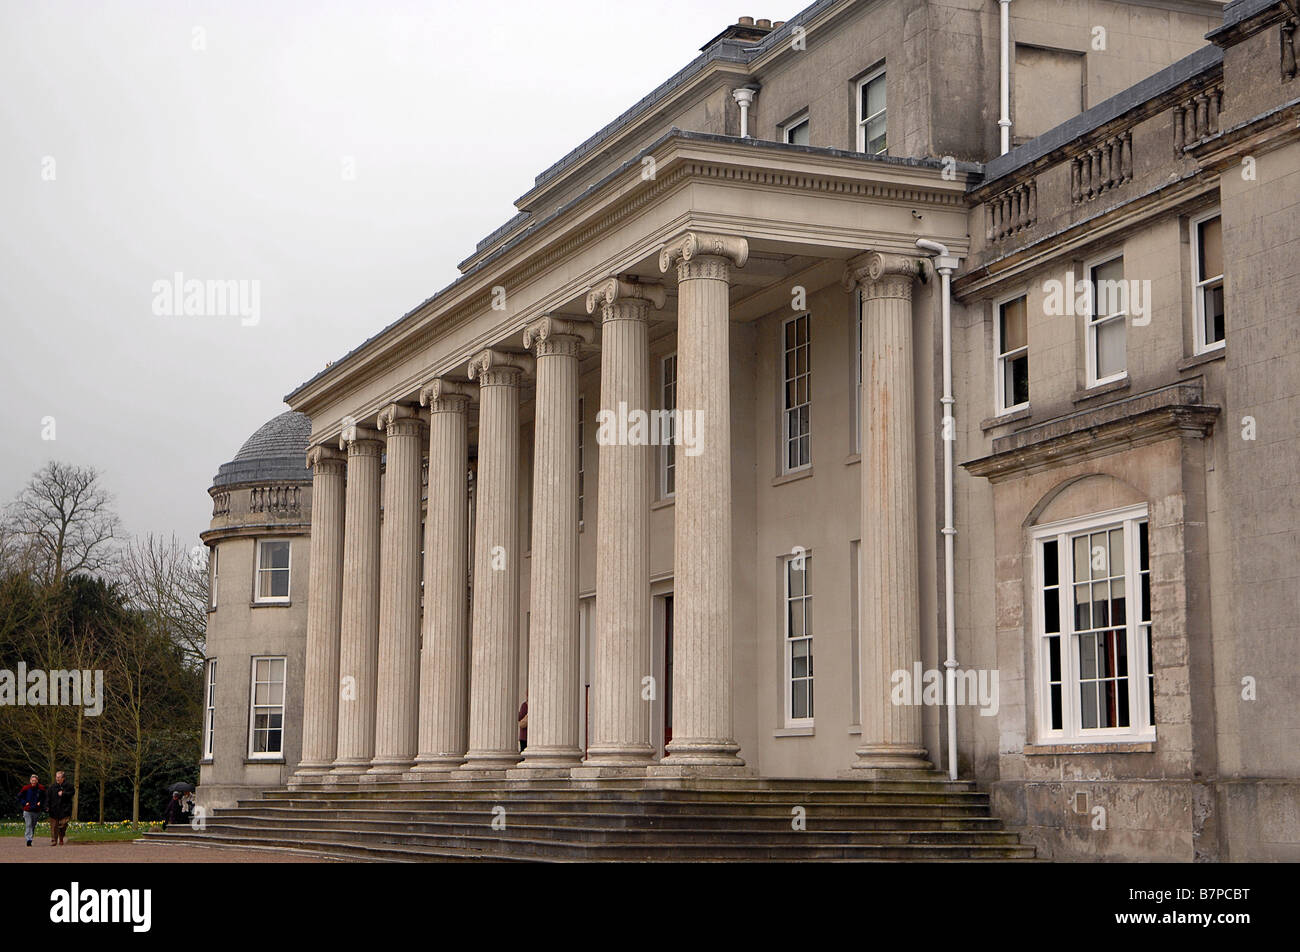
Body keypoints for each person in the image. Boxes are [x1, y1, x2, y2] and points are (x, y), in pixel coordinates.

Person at [16, 774, 46, 847]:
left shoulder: (41, 788)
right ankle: (28, 839)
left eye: (35, 781)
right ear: (30, 781)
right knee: (28, 824)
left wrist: (40, 802)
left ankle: (30, 837)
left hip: (36, 810)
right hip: (27, 810)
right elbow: (19, 797)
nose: (33, 782)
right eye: (32, 781)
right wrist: (25, 803)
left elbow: (44, 797)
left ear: (37, 781)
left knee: (33, 825)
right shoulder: (26, 788)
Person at [47, 770, 73, 846]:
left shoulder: (69, 786)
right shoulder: (52, 787)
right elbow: (48, 797)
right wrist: (47, 806)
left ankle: (61, 837)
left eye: (59, 777)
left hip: (65, 810)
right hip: (54, 810)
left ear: (63, 778)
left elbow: (72, 793)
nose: (57, 778)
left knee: (63, 825)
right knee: (54, 826)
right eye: (56, 777)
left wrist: (63, 793)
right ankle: (54, 840)